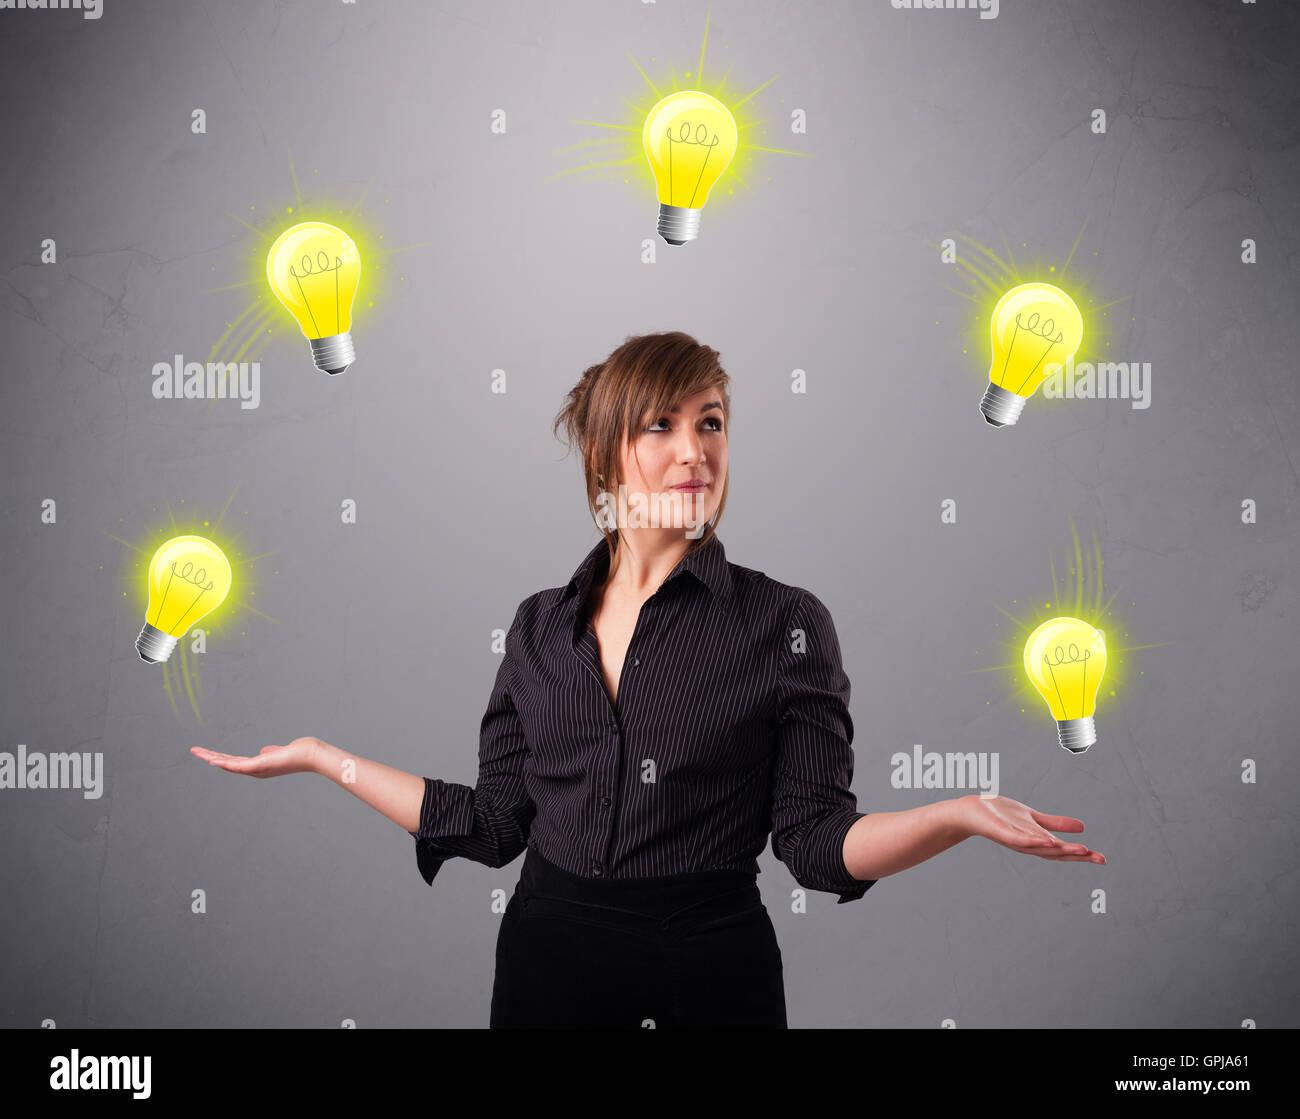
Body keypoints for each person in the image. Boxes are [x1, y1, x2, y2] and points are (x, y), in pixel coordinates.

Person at [192, 330, 1105, 1029]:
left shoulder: (785, 621)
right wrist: (322, 758)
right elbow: (495, 822)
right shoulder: (540, 624)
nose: (693, 450)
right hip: (548, 959)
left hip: (711, 964)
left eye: (710, 422)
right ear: (606, 455)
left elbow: (818, 844)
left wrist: (953, 814)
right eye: (660, 425)